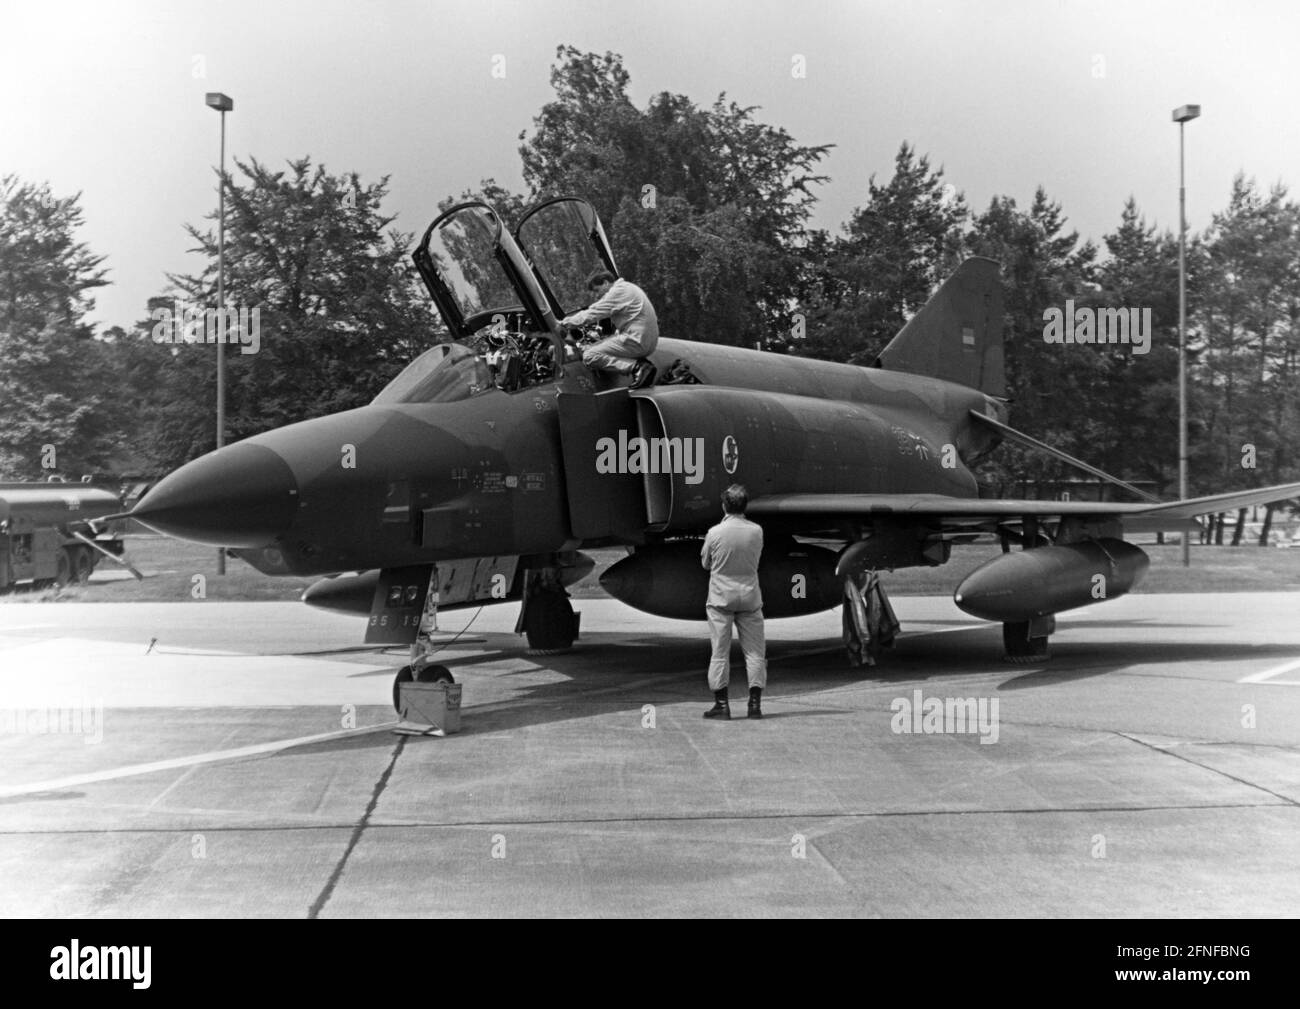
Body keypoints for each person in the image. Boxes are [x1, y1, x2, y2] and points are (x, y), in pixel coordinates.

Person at [699, 483, 767, 719]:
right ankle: (755, 705)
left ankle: (722, 705)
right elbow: (756, 557)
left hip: (721, 599)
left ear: (724, 505)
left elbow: (705, 563)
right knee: (755, 653)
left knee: (719, 653)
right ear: (745, 505)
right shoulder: (757, 531)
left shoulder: (714, 532)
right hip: (750, 597)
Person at [560, 270, 659, 389]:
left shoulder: (617, 292)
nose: (597, 295)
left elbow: (592, 313)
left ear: (605, 283)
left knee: (589, 355)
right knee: (592, 348)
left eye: (597, 290)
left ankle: (637, 367)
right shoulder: (629, 287)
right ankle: (639, 367)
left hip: (637, 341)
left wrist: (563, 323)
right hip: (646, 340)